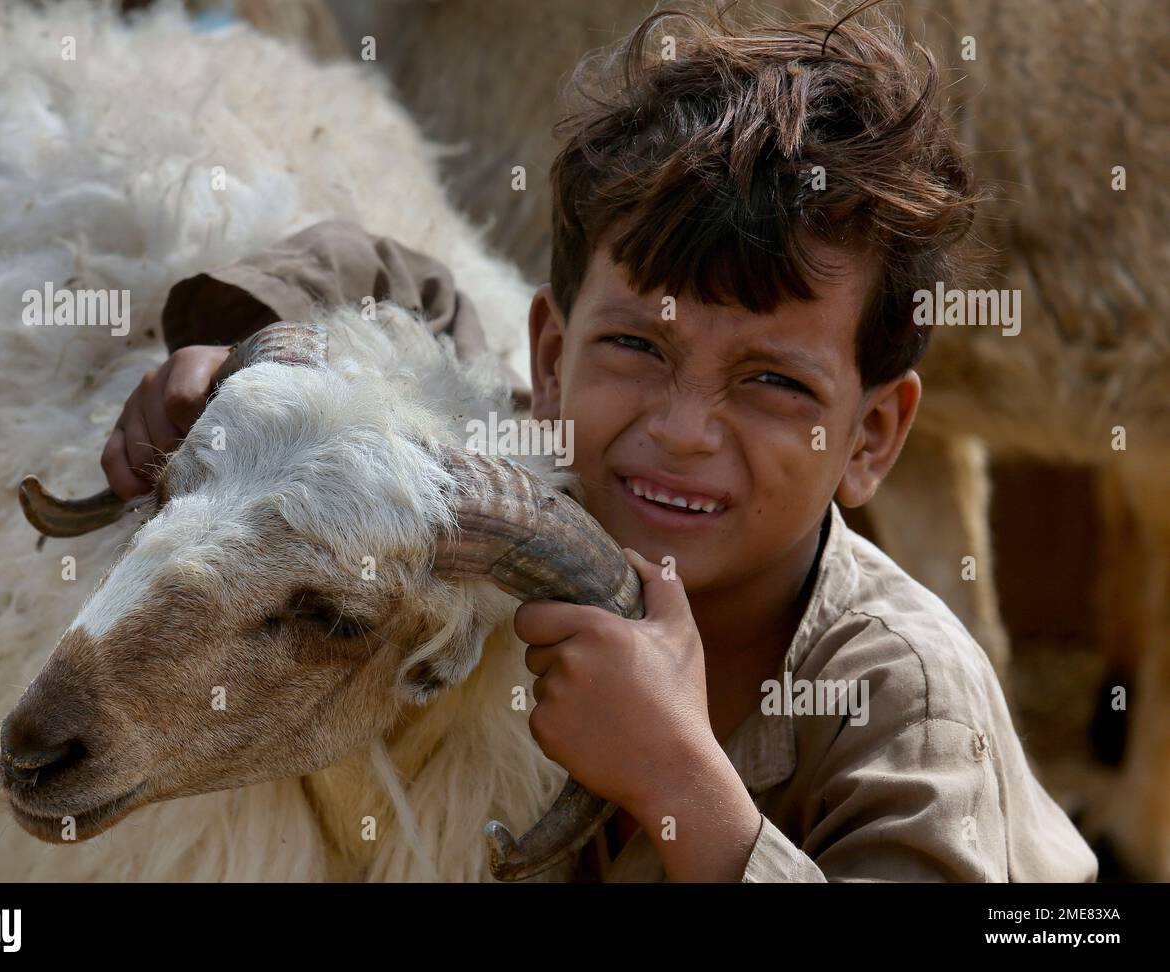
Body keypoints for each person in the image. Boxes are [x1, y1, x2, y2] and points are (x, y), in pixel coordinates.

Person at [100, 4, 1097, 882]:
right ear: (548, 357)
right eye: (635, 345)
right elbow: (400, 279)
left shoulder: (904, 697)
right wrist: (234, 330)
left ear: (870, 437)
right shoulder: (541, 486)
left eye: (772, 382)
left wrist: (676, 781)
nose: (678, 430)